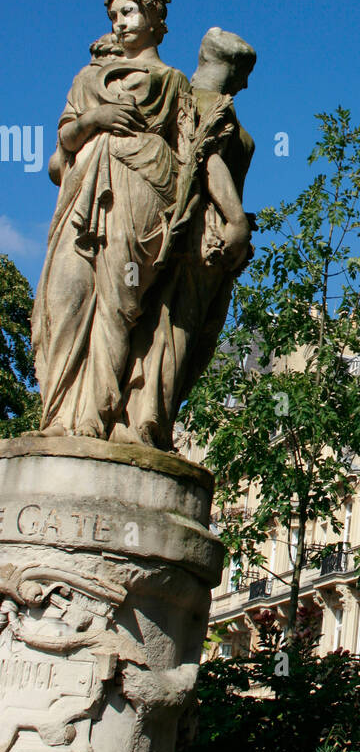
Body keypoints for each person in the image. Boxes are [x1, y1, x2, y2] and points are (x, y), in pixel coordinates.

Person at [32, 0, 193, 440]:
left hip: (141, 190)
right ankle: (58, 414)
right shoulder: (87, 78)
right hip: (82, 190)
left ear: (154, 19)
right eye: (114, 15)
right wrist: (93, 119)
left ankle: (95, 418)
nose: (120, 23)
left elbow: (188, 157)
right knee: (66, 296)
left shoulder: (172, 81)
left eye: (129, 12)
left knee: (118, 304)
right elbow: (63, 141)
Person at [113, 28, 256, 447]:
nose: (246, 83)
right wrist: (236, 221)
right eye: (245, 73)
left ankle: (144, 416)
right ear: (231, 71)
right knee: (176, 332)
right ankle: (148, 421)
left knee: (165, 327)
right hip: (200, 239)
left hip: (196, 240)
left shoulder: (181, 99)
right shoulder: (209, 108)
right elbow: (206, 158)